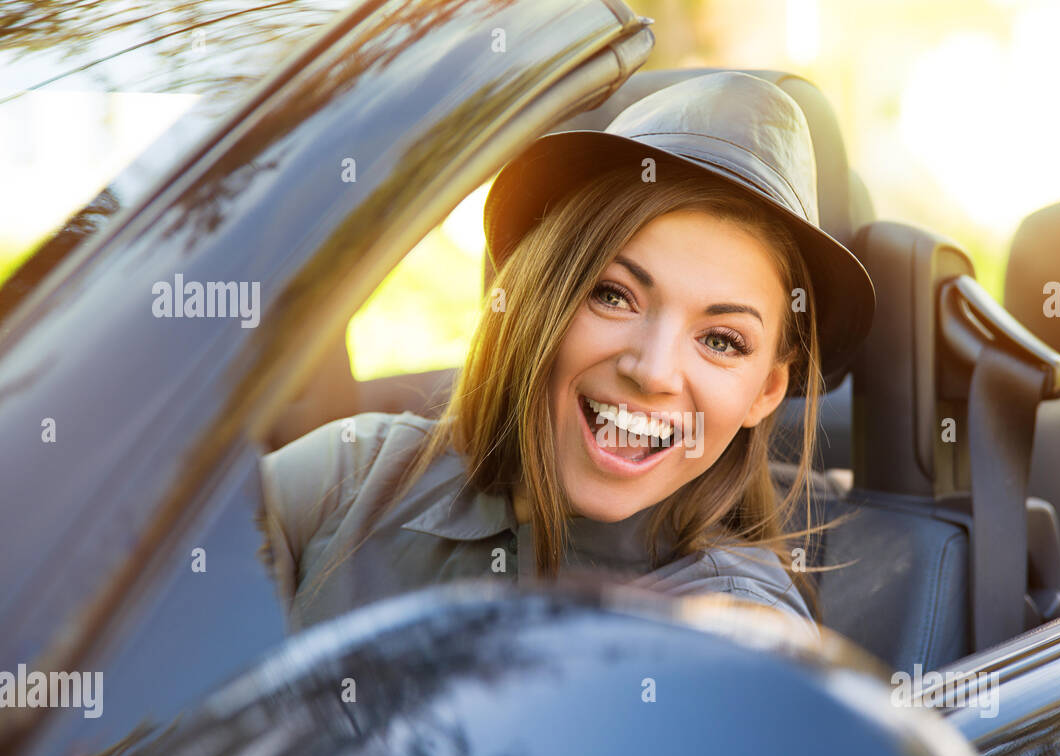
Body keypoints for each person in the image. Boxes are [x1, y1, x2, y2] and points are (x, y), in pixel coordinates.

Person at [257, 71, 875, 637]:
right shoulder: (351, 478)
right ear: (536, 298)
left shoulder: (738, 633)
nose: (653, 370)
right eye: (612, 295)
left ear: (765, 392)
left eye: (721, 341)